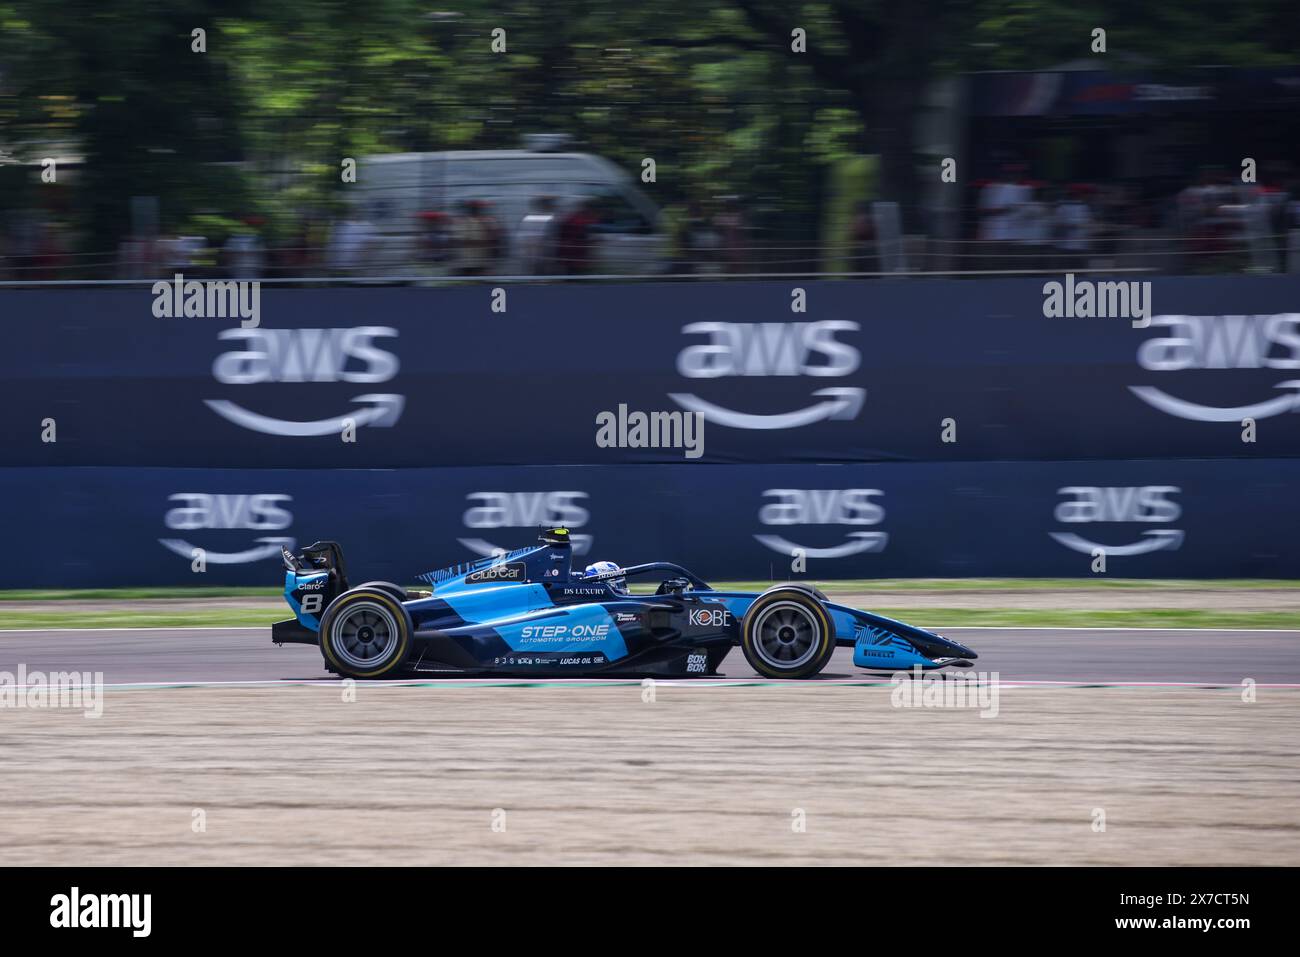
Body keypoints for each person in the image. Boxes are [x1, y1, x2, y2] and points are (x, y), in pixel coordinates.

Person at [515, 195, 558, 275]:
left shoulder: (529, 218)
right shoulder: (544, 219)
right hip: (538, 256)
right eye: (549, 204)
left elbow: (521, 238)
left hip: (535, 256)